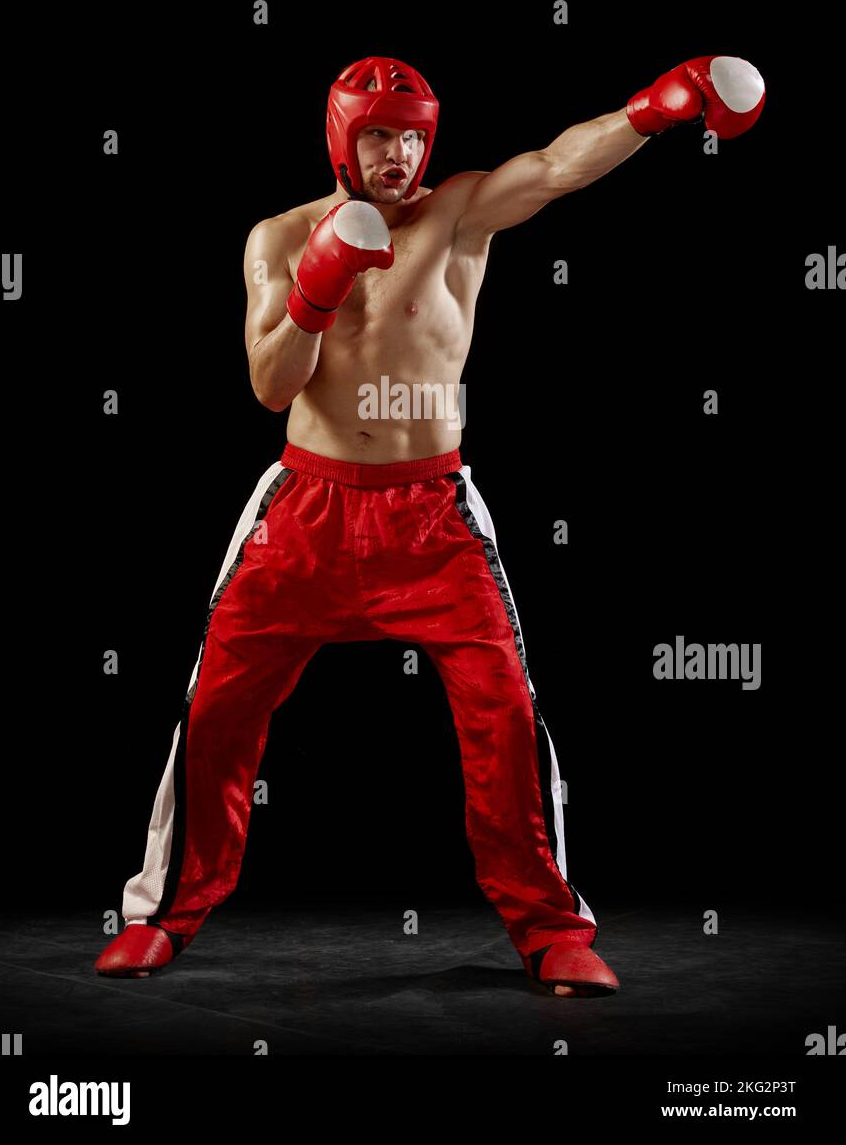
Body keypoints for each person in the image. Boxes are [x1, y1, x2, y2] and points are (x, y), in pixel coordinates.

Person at [95, 53, 765, 995]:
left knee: (507, 714)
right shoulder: (279, 237)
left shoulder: (458, 215)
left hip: (433, 515)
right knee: (213, 712)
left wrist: (653, 112)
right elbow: (269, 384)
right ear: (340, 137)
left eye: (412, 134)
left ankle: (549, 929)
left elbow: (558, 164)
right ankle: (162, 913)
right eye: (377, 134)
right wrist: (317, 287)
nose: (398, 154)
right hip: (307, 508)